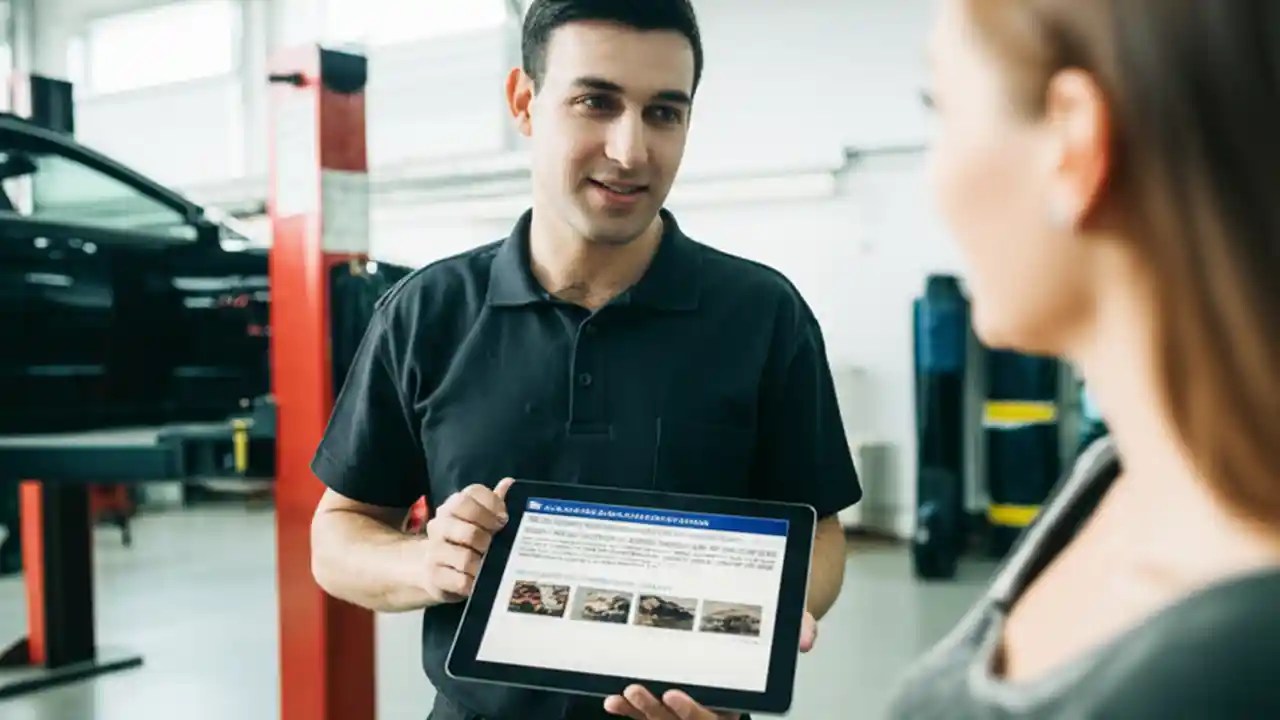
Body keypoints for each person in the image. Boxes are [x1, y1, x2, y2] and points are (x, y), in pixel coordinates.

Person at [307, 1, 862, 719]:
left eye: (664, 112)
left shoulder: (762, 315)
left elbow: (819, 531)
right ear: (524, 102)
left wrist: (765, 632)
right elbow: (337, 535)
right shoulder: (425, 313)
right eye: (595, 102)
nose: (631, 150)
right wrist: (426, 560)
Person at [889, 0, 1280, 717]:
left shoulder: (1241, 666)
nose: (933, 180)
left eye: (940, 111)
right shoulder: (1111, 477)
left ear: (1072, 142)